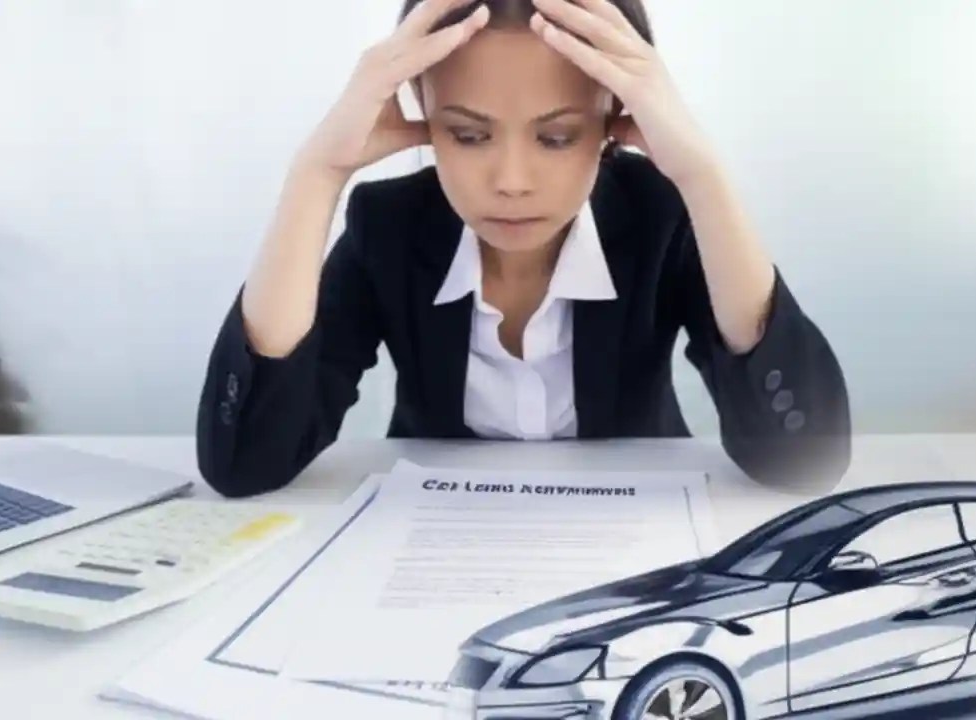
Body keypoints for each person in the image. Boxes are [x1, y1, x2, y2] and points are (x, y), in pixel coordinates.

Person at [195, 0, 852, 498]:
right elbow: (245, 465)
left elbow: (805, 463)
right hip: (435, 548)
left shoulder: (659, 216)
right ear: (421, 108)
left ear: (614, 116)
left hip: (637, 542)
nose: (511, 181)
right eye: (468, 135)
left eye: (558, 137)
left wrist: (703, 177)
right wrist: (317, 175)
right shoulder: (389, 226)